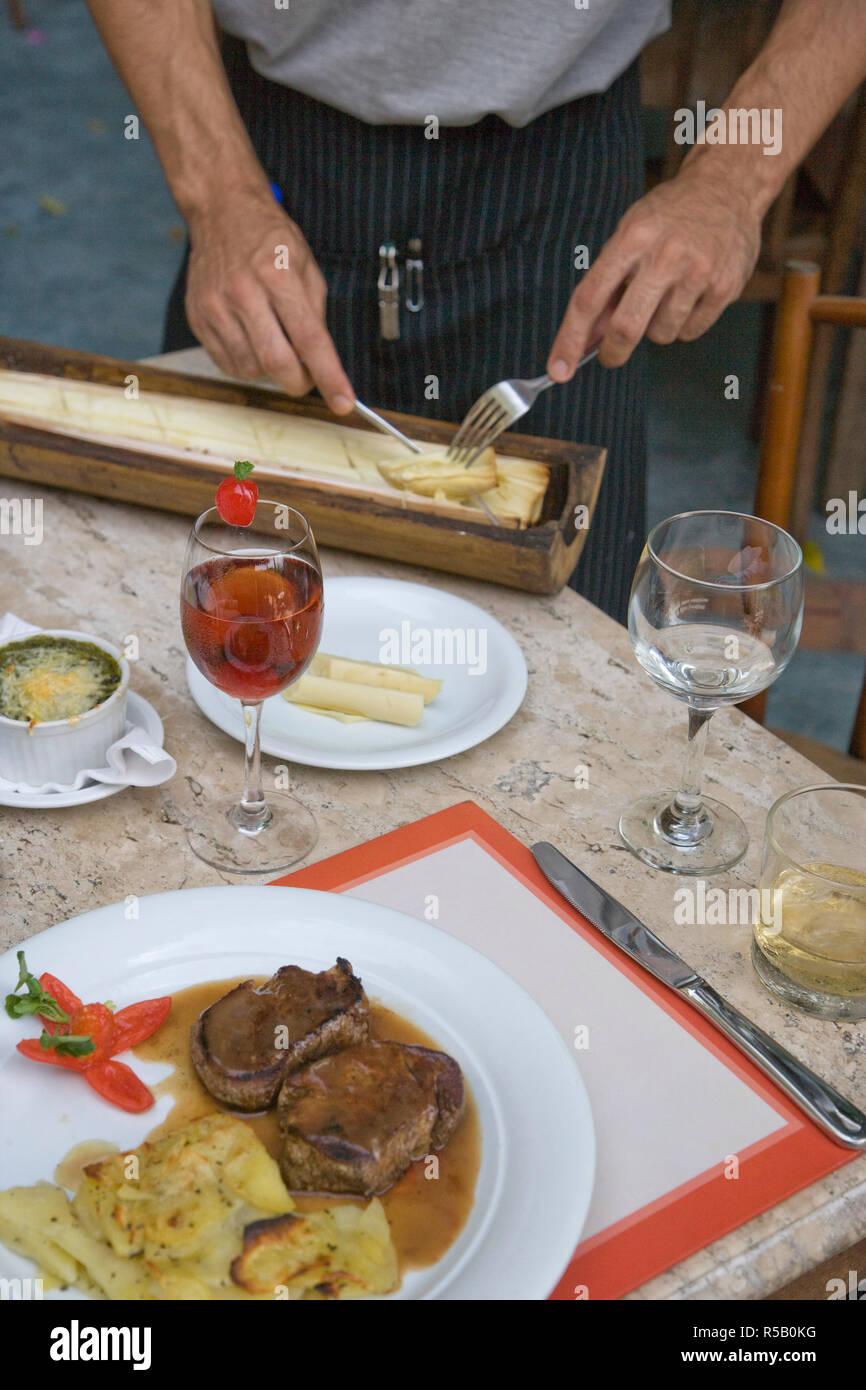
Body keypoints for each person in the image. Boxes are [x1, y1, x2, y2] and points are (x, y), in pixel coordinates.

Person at [87, 0, 866, 621]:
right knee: (229, 631)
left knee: (573, 683)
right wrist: (218, 195)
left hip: (562, 192)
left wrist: (733, 178)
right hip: (266, 163)